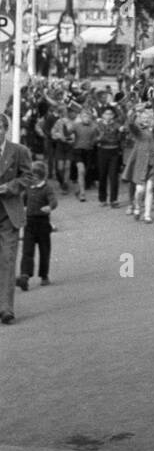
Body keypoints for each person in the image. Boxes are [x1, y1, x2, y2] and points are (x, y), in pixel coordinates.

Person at [0, 114, 34, 324]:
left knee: (8, 260)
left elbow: (28, 177)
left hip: (9, 214)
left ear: (5, 129)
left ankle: (6, 308)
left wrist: (10, 187)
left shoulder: (19, 151)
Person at [18, 158, 57, 289]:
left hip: (42, 223)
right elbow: (22, 199)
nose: (31, 178)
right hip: (29, 222)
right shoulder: (28, 188)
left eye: (33, 176)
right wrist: (21, 208)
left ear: (40, 176)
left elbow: (53, 201)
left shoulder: (47, 188)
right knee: (27, 250)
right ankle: (25, 275)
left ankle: (44, 275)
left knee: (44, 250)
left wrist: (49, 207)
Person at [94, 105, 124, 208]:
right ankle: (102, 199)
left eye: (111, 114)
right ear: (102, 115)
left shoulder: (117, 124)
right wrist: (99, 138)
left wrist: (121, 132)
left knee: (114, 177)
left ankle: (114, 199)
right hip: (102, 151)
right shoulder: (98, 125)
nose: (109, 116)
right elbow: (94, 139)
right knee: (102, 176)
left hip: (114, 152)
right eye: (106, 114)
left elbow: (121, 135)